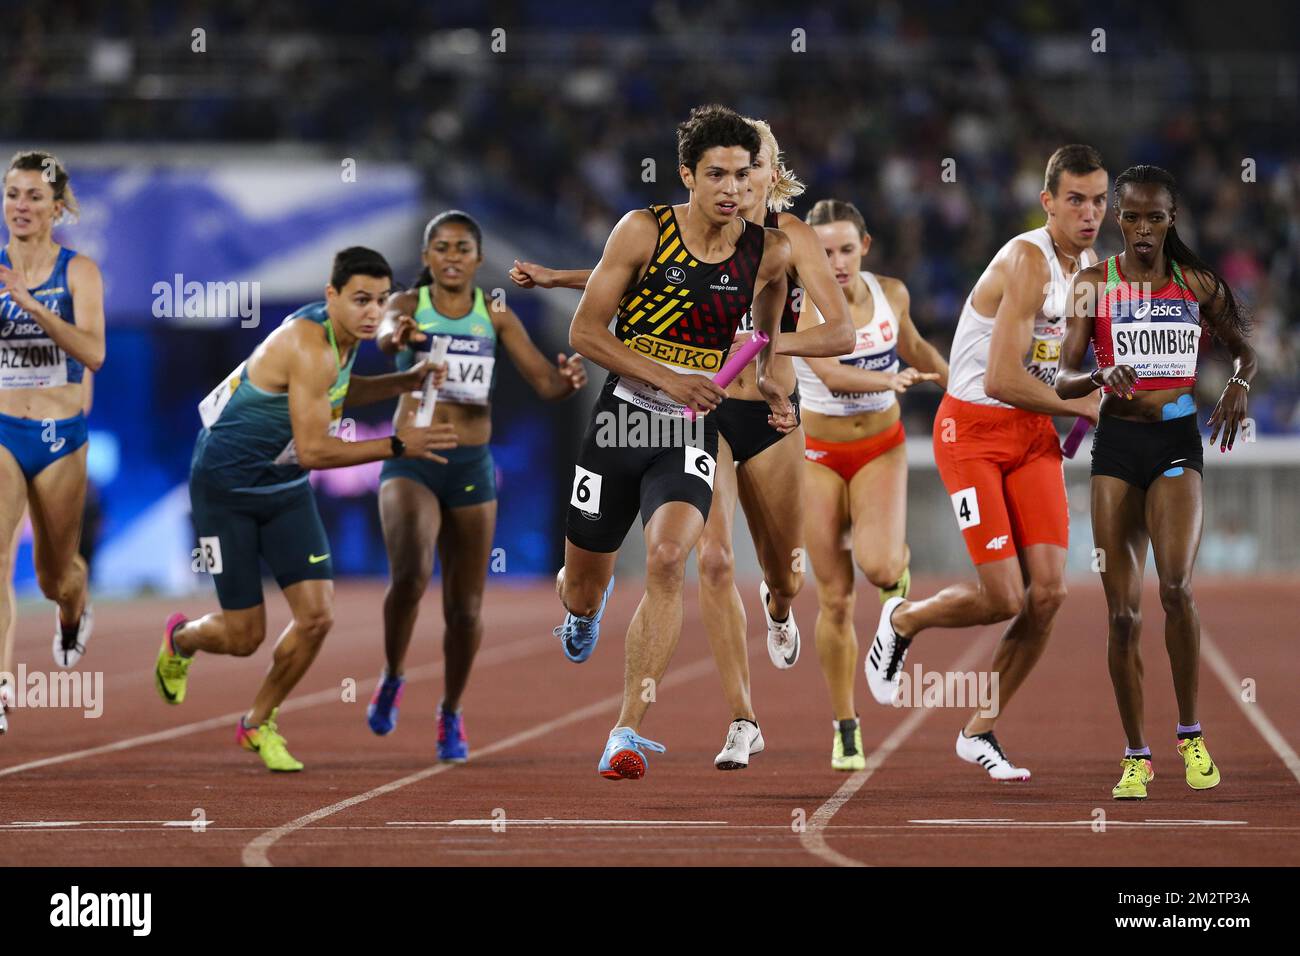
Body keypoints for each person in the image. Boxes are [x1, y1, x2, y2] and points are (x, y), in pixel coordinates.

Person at [513, 117, 854, 771]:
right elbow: (592, 327)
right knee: (588, 587)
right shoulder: (643, 229)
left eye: (744, 172)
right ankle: (581, 605)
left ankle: (624, 730)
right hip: (623, 420)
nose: (733, 186)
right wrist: (668, 371)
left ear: (765, 174)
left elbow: (803, 324)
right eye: (718, 174)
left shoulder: (776, 247)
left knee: (676, 558)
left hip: (694, 424)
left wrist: (767, 368)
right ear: (689, 177)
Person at [153, 247, 457, 771]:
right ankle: (181, 638)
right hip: (225, 492)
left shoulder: (345, 341)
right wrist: (398, 444)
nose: (372, 312)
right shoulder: (307, 343)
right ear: (330, 296)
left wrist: (400, 383)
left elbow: (331, 393)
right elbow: (316, 449)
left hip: (285, 486)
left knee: (316, 618)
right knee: (243, 637)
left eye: (381, 301)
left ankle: (257, 723)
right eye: (361, 299)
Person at [865, 145, 1105, 781]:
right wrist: (1082, 405)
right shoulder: (1028, 262)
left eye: (1099, 201)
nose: (1089, 213)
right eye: (1075, 200)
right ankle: (904, 617)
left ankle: (981, 728)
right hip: (972, 430)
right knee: (1003, 597)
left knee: (1048, 593)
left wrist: (1104, 389)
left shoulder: (1090, 271)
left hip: (1032, 435)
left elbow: (1070, 363)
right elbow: (1000, 377)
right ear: (1047, 201)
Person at [1055, 164, 1255, 800]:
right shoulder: (1092, 285)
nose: (1143, 230)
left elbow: (1246, 348)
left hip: (1175, 442)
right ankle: (1135, 754)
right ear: (1119, 218)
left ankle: (1191, 736)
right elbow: (1061, 377)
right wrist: (1097, 378)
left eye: (1155, 217)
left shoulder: (1197, 284)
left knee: (1174, 587)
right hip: (1116, 445)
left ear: (1173, 219)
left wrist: (1239, 383)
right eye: (1132, 217)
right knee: (1121, 615)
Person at [366, 210, 586, 761]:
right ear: (426, 258)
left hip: (471, 465)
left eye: (462, 248)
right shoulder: (405, 307)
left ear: (478, 259)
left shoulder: (496, 315)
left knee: (465, 608)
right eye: (441, 248)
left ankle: (450, 712)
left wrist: (567, 381)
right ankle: (393, 674)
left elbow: (544, 383)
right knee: (413, 575)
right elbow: (388, 339)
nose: (452, 257)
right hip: (413, 458)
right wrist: (403, 337)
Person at [795, 199, 946, 770]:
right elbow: (831, 372)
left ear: (866, 247)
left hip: (880, 448)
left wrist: (957, 385)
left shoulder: (892, 294)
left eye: (845, 250)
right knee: (833, 599)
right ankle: (845, 725)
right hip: (817, 454)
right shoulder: (803, 304)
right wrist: (887, 377)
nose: (835, 262)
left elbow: (915, 348)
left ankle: (896, 576)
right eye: (823, 251)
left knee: (881, 570)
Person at [0, 150, 105, 738]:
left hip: (61, 438)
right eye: (13, 194)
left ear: (57, 208)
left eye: (35, 196)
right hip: (4, 428)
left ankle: (73, 610)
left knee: (53, 576)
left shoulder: (79, 272)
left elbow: (94, 354)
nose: (21, 205)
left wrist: (34, 306)